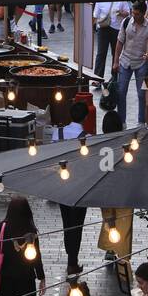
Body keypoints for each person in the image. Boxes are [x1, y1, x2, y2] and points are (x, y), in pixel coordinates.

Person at [52, 100, 90, 276]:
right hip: (79, 187)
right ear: (85, 117)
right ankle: (72, 262)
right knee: (77, 226)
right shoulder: (86, 137)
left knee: (67, 223)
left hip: (61, 185)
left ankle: (71, 259)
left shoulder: (57, 132)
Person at [114, 0, 148, 127]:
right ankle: (122, 121)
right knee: (121, 92)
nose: (134, 16)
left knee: (141, 94)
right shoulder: (126, 22)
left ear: (143, 13)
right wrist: (115, 62)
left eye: (137, 14)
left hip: (141, 63)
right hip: (125, 61)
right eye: (133, 13)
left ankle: (141, 121)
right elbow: (119, 43)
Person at [93, 0, 131, 81]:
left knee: (116, 53)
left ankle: (114, 77)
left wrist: (121, 13)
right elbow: (95, 15)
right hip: (103, 28)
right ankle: (97, 78)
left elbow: (128, 14)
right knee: (101, 53)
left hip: (117, 28)